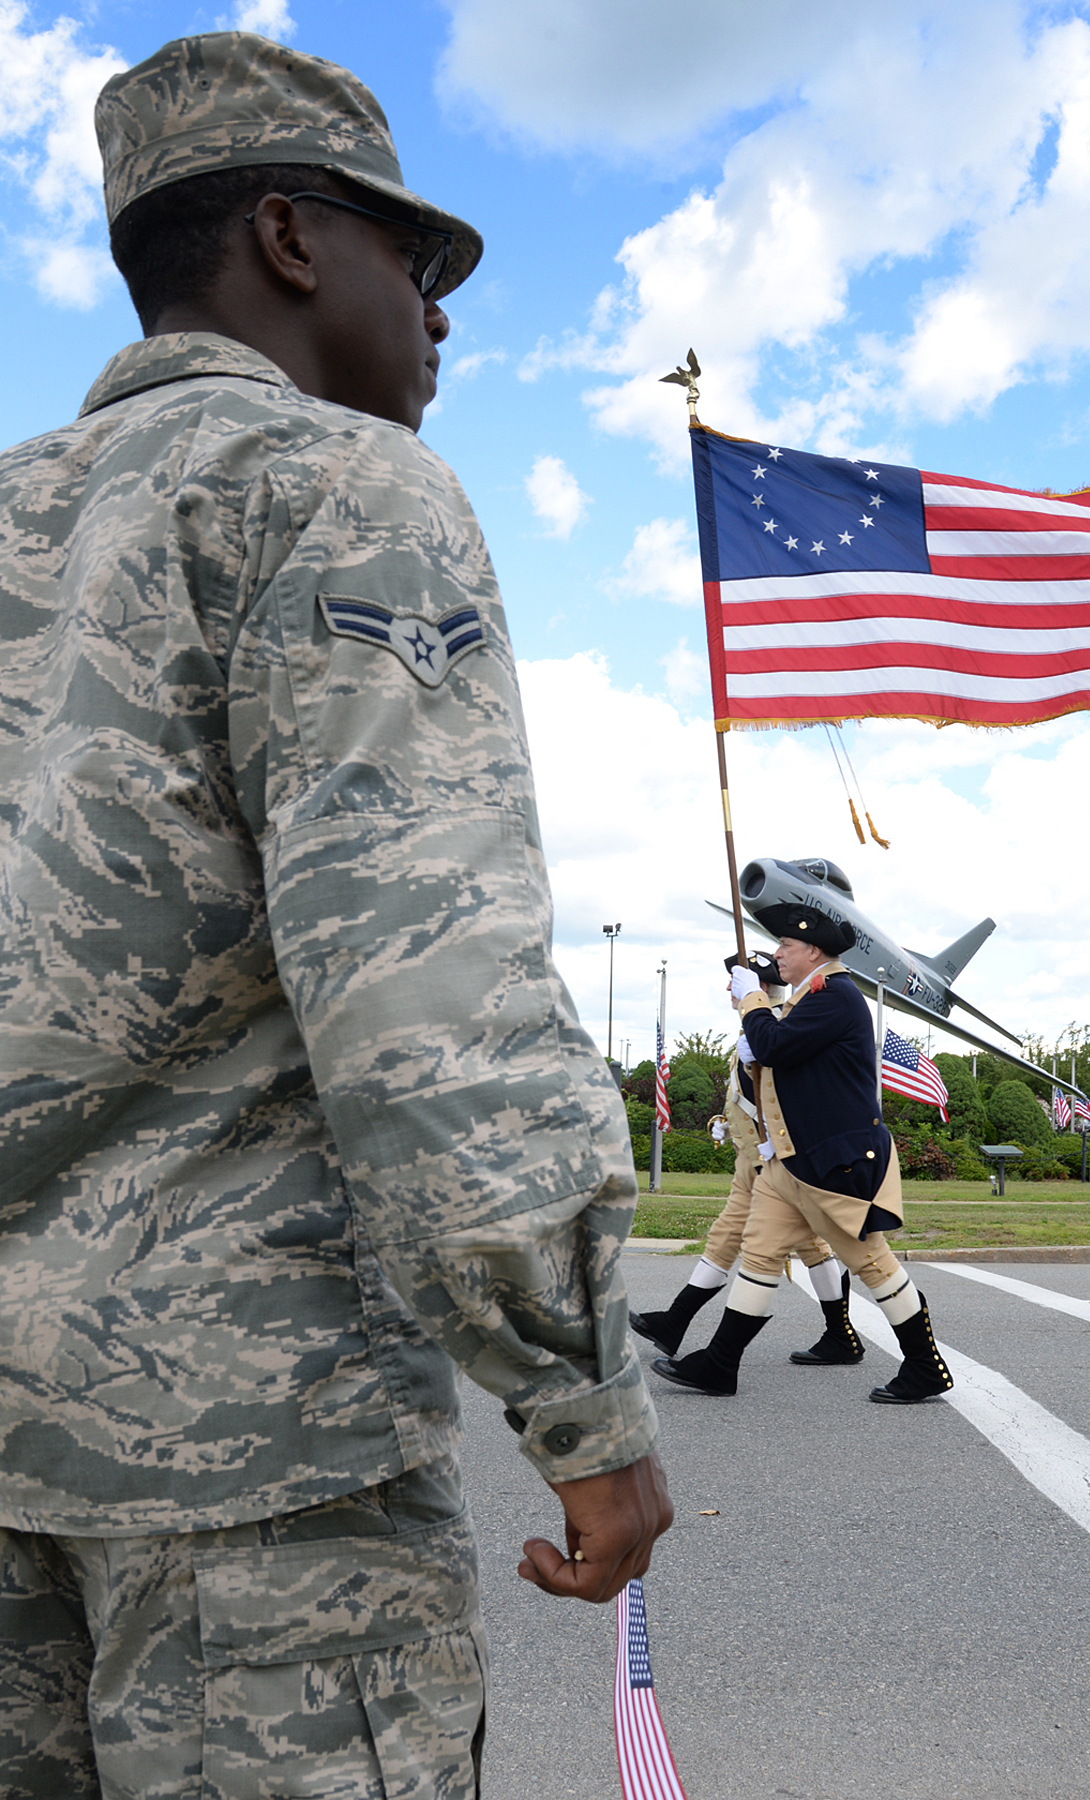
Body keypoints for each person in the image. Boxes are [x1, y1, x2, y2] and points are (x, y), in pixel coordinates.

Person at [0, 32, 671, 1798]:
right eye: (417, 260)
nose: (442, 314)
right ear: (291, 240)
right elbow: (428, 1006)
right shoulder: (334, 489)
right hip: (256, 1472)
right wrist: (582, 1402)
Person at [650, 906, 952, 1404]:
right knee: (760, 1252)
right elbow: (777, 1060)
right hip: (789, 1162)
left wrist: (752, 1000)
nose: (777, 955)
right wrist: (756, 1048)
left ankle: (924, 1366)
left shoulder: (835, 996)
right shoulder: (811, 1000)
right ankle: (719, 1365)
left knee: (872, 1263)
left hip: (835, 1163)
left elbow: (773, 1043)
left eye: (785, 947)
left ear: (813, 951)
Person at [630, 951, 862, 1367]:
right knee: (765, 1240)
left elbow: (788, 1093)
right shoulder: (755, 1026)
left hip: (773, 1163)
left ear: (761, 985)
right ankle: (676, 1322)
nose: (729, 988)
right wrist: (727, 1119)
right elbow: (752, 1094)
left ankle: (685, 1327)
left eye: (736, 980)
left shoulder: (776, 1026)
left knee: (807, 1245)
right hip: (750, 1158)